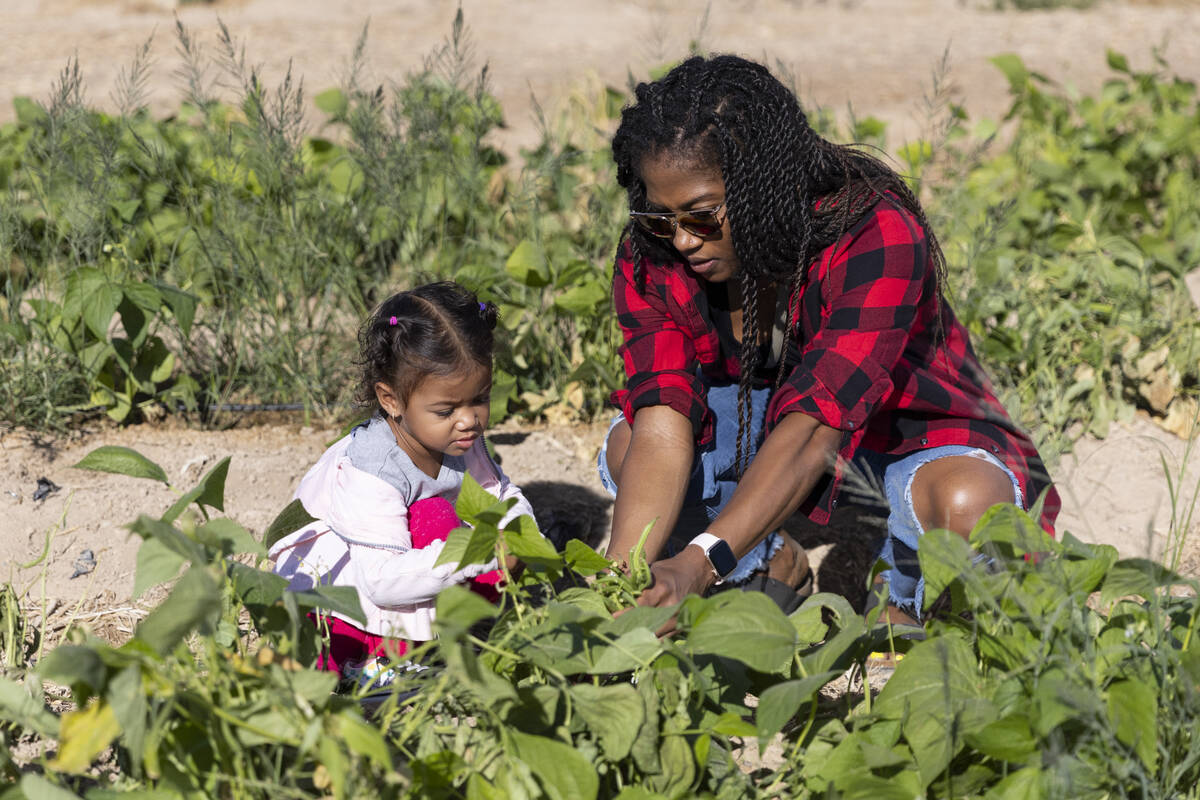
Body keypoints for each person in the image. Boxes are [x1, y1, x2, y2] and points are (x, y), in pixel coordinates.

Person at [597, 55, 1060, 624]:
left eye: (700, 215)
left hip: (900, 432)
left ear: (758, 182)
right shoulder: (656, 253)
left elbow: (818, 426)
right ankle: (761, 563)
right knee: (628, 444)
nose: (682, 240)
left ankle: (903, 588)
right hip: (772, 429)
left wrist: (697, 563)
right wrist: (620, 583)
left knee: (971, 508)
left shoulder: (872, 230)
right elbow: (663, 423)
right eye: (658, 217)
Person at [269, 281, 539, 687]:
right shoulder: (371, 467)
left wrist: (516, 532)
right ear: (391, 399)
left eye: (479, 399)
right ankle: (383, 657)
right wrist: (481, 553)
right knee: (319, 656)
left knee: (466, 528)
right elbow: (380, 582)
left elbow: (501, 496)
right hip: (344, 588)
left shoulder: (461, 439)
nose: (469, 420)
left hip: (415, 569)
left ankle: (428, 644)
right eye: (446, 409)